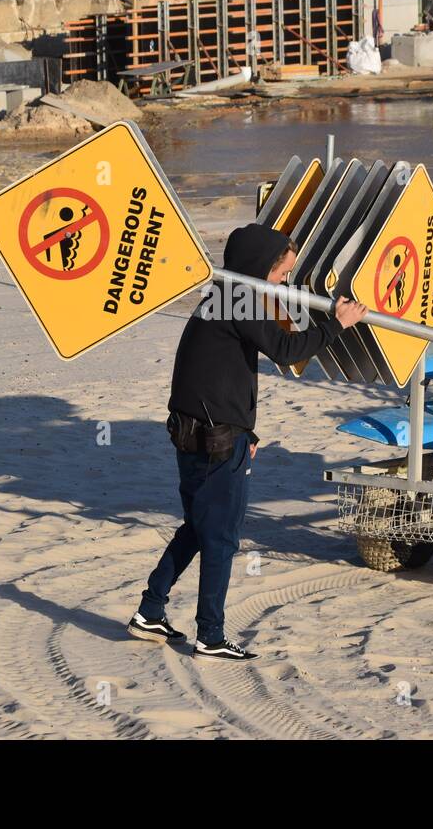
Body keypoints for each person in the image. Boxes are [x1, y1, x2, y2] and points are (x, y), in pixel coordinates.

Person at [129, 224, 368, 661]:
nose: (285, 283)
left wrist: (247, 431)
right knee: (220, 538)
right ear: (261, 267)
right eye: (282, 273)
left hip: (197, 432)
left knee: (199, 528)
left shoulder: (219, 300)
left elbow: (217, 376)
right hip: (216, 440)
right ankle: (211, 636)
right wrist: (338, 323)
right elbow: (287, 350)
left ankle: (150, 610)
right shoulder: (239, 301)